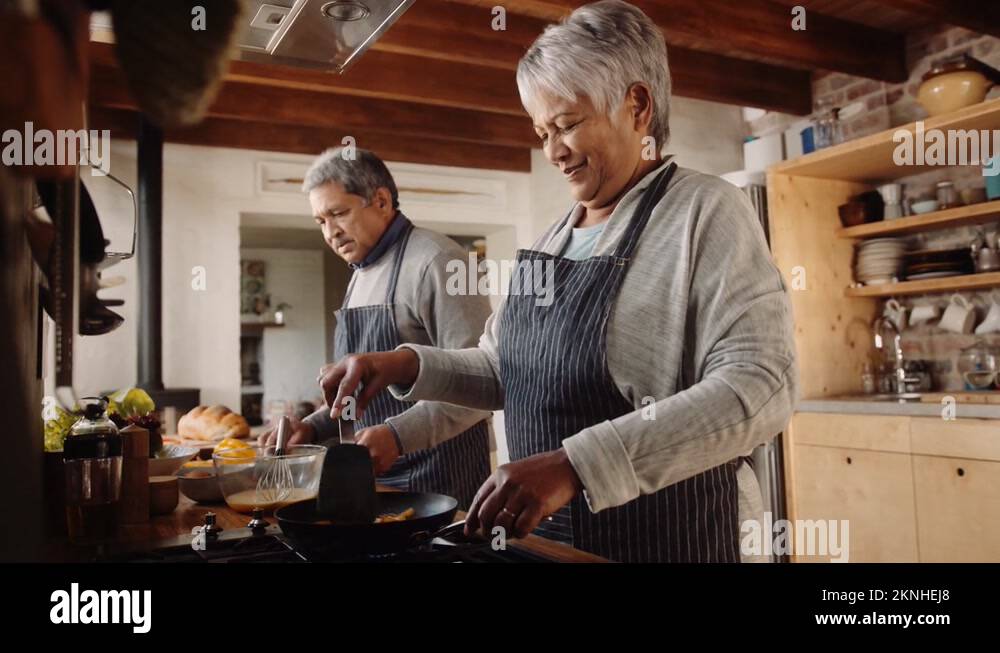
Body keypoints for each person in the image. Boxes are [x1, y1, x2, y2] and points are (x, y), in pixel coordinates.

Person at [320, 1, 798, 562]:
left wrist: (576, 465)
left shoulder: (706, 212)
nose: (552, 151)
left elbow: (762, 387)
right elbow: (506, 367)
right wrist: (403, 364)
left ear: (637, 106)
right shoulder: (553, 239)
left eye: (567, 125)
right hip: (549, 545)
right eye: (542, 131)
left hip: (671, 539)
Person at [263, 148, 493, 508]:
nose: (330, 232)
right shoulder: (360, 275)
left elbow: (480, 388)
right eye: (320, 221)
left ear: (382, 201)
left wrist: (398, 435)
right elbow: (362, 394)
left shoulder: (441, 261)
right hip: (376, 478)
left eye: (338, 213)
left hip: (441, 479)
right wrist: (311, 427)